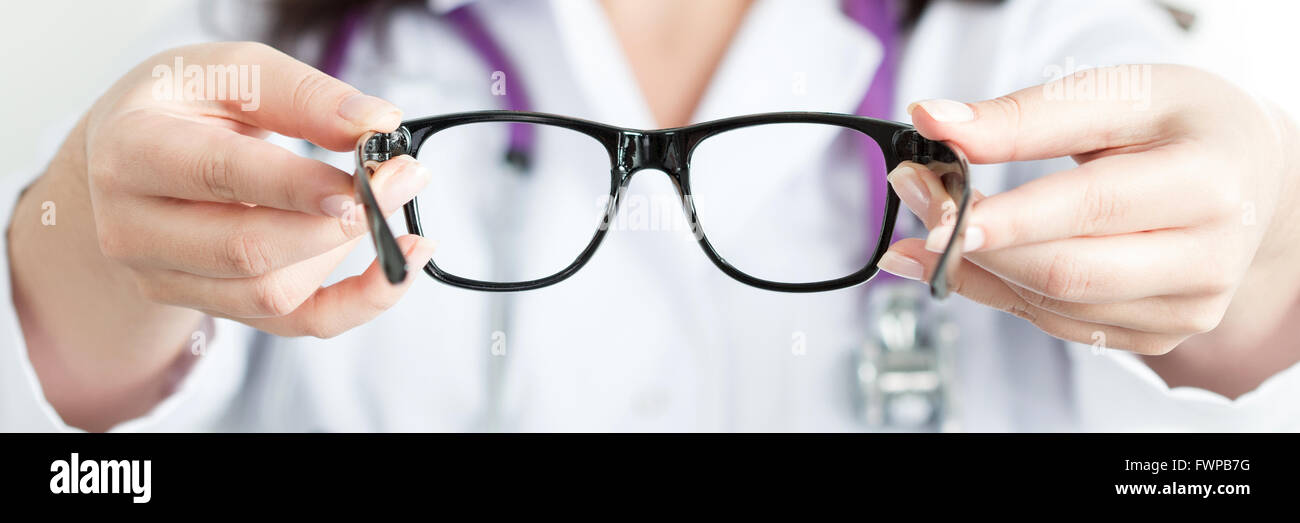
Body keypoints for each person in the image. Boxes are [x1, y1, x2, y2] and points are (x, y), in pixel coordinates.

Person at [4, 0, 1299, 432]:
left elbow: (1249, 341)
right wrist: (80, 225)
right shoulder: (259, 71)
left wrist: (1260, 221)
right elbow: (76, 417)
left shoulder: (1047, 45)